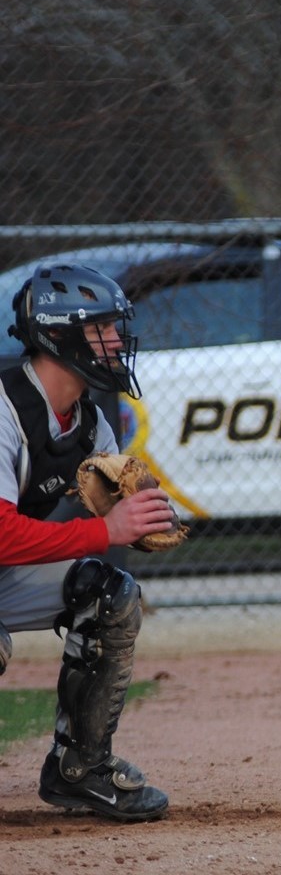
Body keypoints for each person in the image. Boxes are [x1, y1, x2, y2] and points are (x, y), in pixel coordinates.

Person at [0, 263, 175, 822]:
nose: (118, 342)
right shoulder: (3, 408)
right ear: (60, 333)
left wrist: (140, 516)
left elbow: (111, 506)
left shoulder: (91, 423)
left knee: (110, 594)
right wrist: (106, 530)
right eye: (103, 328)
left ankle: (81, 770)